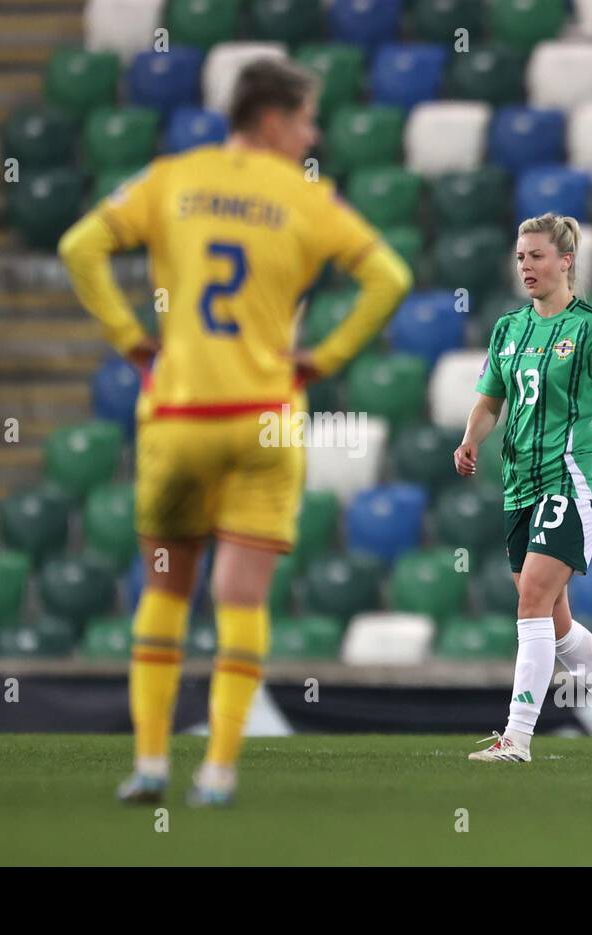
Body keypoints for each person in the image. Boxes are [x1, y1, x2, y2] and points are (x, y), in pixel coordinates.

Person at [59, 58, 412, 806]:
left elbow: (79, 247)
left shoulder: (172, 178)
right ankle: (217, 771)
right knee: (242, 600)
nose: (314, 134)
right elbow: (390, 277)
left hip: (179, 417)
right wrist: (325, 359)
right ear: (276, 120)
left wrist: (128, 338)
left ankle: (151, 764)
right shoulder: (306, 197)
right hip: (264, 420)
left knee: (163, 592)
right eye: (308, 120)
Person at [454, 213, 592, 765]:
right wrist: (471, 438)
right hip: (519, 485)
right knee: (554, 619)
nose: (526, 265)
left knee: (530, 601)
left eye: (537, 256)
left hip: (569, 479)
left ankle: (517, 738)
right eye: (521, 256)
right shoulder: (508, 328)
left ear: (566, 261)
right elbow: (490, 400)